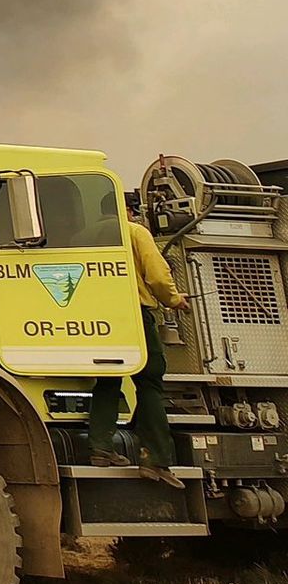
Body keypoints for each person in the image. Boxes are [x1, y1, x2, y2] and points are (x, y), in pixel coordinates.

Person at [88, 200, 187, 489]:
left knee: (107, 380)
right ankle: (155, 458)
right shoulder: (133, 232)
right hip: (134, 316)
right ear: (127, 209)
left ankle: (100, 447)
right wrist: (173, 299)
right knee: (149, 381)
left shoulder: (85, 235)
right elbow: (156, 276)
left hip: (97, 317)